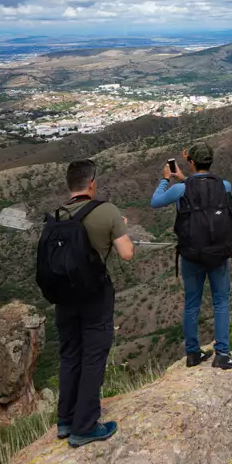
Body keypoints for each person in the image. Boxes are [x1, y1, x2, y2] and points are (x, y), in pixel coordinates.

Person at [51, 159, 134, 447]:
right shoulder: (107, 211)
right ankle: (85, 427)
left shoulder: (56, 216)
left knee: (70, 355)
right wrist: (120, 229)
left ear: (69, 185)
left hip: (63, 297)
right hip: (94, 296)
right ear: (92, 183)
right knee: (93, 356)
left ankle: (65, 420)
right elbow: (126, 254)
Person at [151, 142, 232, 370]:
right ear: (211, 161)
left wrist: (167, 178)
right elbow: (204, 191)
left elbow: (155, 202)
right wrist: (186, 178)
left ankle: (193, 354)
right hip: (219, 253)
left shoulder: (181, 189)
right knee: (221, 301)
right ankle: (222, 354)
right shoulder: (225, 185)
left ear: (190, 162)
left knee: (192, 303)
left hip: (192, 255)